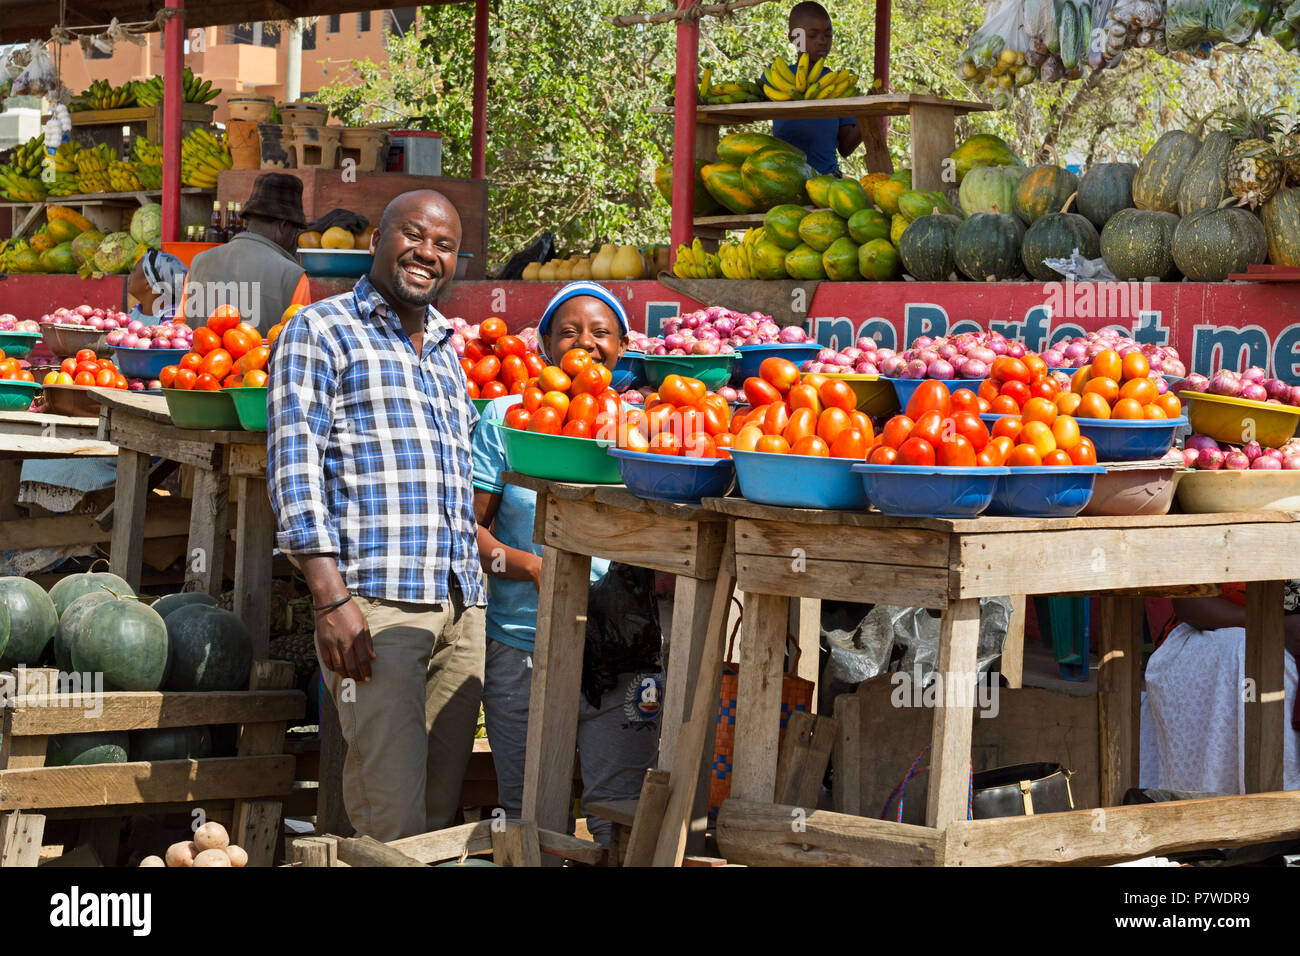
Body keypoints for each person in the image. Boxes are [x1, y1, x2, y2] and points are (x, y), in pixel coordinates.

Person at [267, 189, 486, 842]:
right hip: (377, 605)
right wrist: (330, 598)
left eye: (444, 245)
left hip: (458, 606)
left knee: (435, 821)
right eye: (413, 235)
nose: (427, 253)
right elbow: (292, 463)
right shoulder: (322, 329)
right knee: (388, 821)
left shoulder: (448, 349)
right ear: (376, 242)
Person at [471, 281, 664, 849]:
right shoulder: (507, 419)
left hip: (624, 651)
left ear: (623, 346)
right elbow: (468, 532)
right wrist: (535, 570)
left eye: (601, 332)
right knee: (528, 811)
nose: (586, 342)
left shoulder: (642, 426)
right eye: (570, 331)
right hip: (522, 646)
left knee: (619, 812)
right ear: (546, 345)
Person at [1140, 582, 1299, 793]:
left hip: (1284, 633)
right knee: (1253, 655)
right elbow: (1190, 603)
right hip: (1210, 632)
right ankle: (1255, 800)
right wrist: (1272, 623)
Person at [179, 172, 313, 334]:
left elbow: (180, 326)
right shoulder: (294, 277)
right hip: (261, 360)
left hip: (199, 360)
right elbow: (299, 341)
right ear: (284, 226)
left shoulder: (198, 263)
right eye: (296, 230)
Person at [769, 1, 862, 176]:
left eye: (828, 35)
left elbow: (846, 148)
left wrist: (869, 116)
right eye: (813, 35)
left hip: (827, 177)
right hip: (784, 176)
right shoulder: (777, 79)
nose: (822, 41)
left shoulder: (836, 85)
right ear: (793, 38)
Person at [126, 250, 187, 326]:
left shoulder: (170, 319)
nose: (130, 274)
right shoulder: (136, 310)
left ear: (148, 283)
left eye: (134, 270)